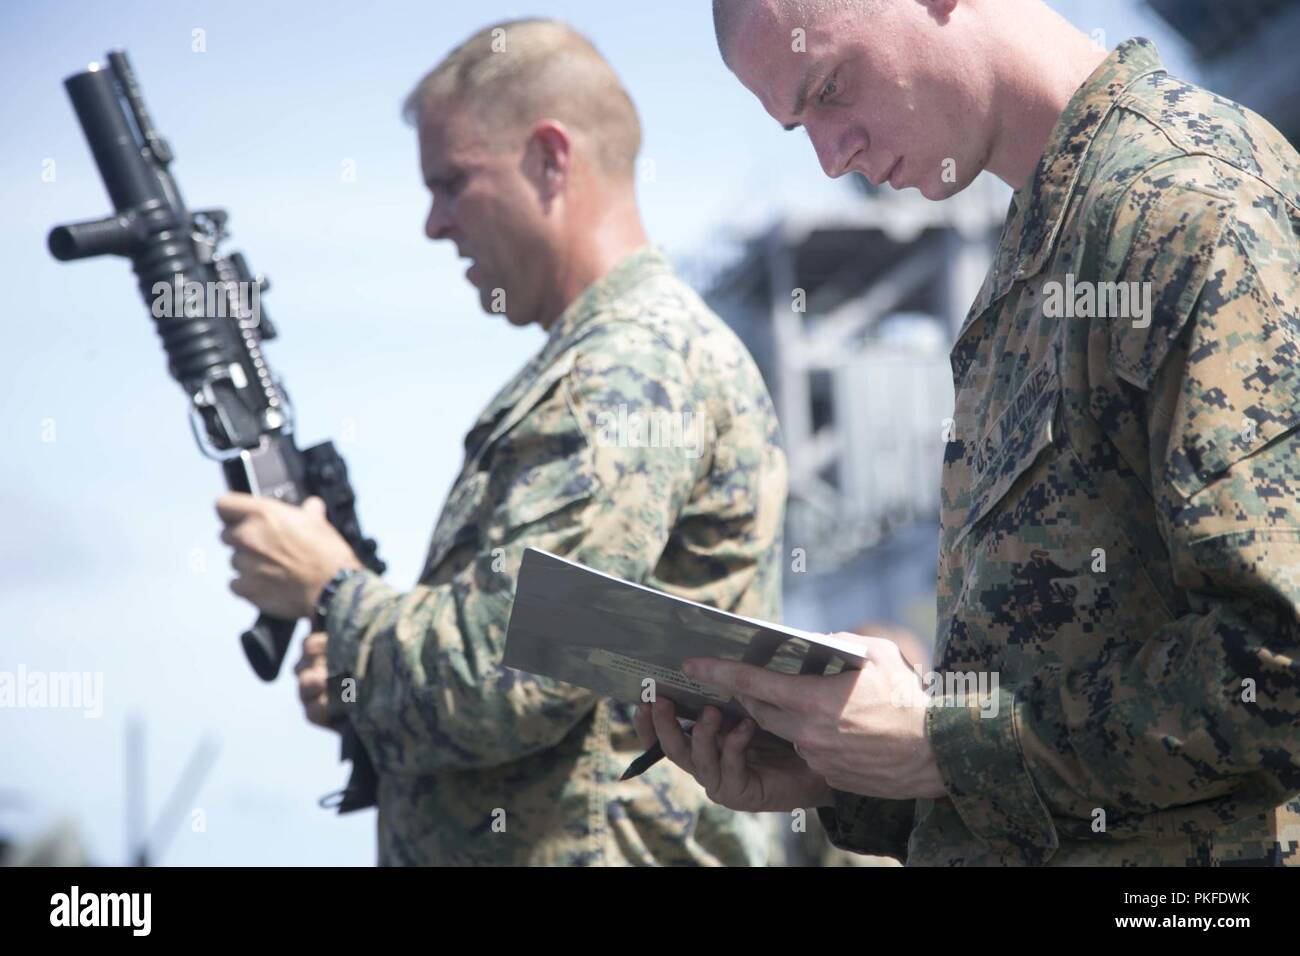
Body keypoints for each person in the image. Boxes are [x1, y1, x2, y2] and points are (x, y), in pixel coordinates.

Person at [638, 0, 1300, 866]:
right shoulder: (1043, 250)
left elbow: (1279, 668)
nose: (835, 156)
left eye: (832, 87)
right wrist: (847, 768)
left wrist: (943, 742)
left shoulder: (1188, 206)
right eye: (800, 124)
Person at [215, 18, 788, 866]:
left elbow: (512, 676)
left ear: (550, 159)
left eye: (453, 184)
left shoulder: (626, 367)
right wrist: (365, 675)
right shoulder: (610, 359)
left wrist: (333, 593)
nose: (434, 225)